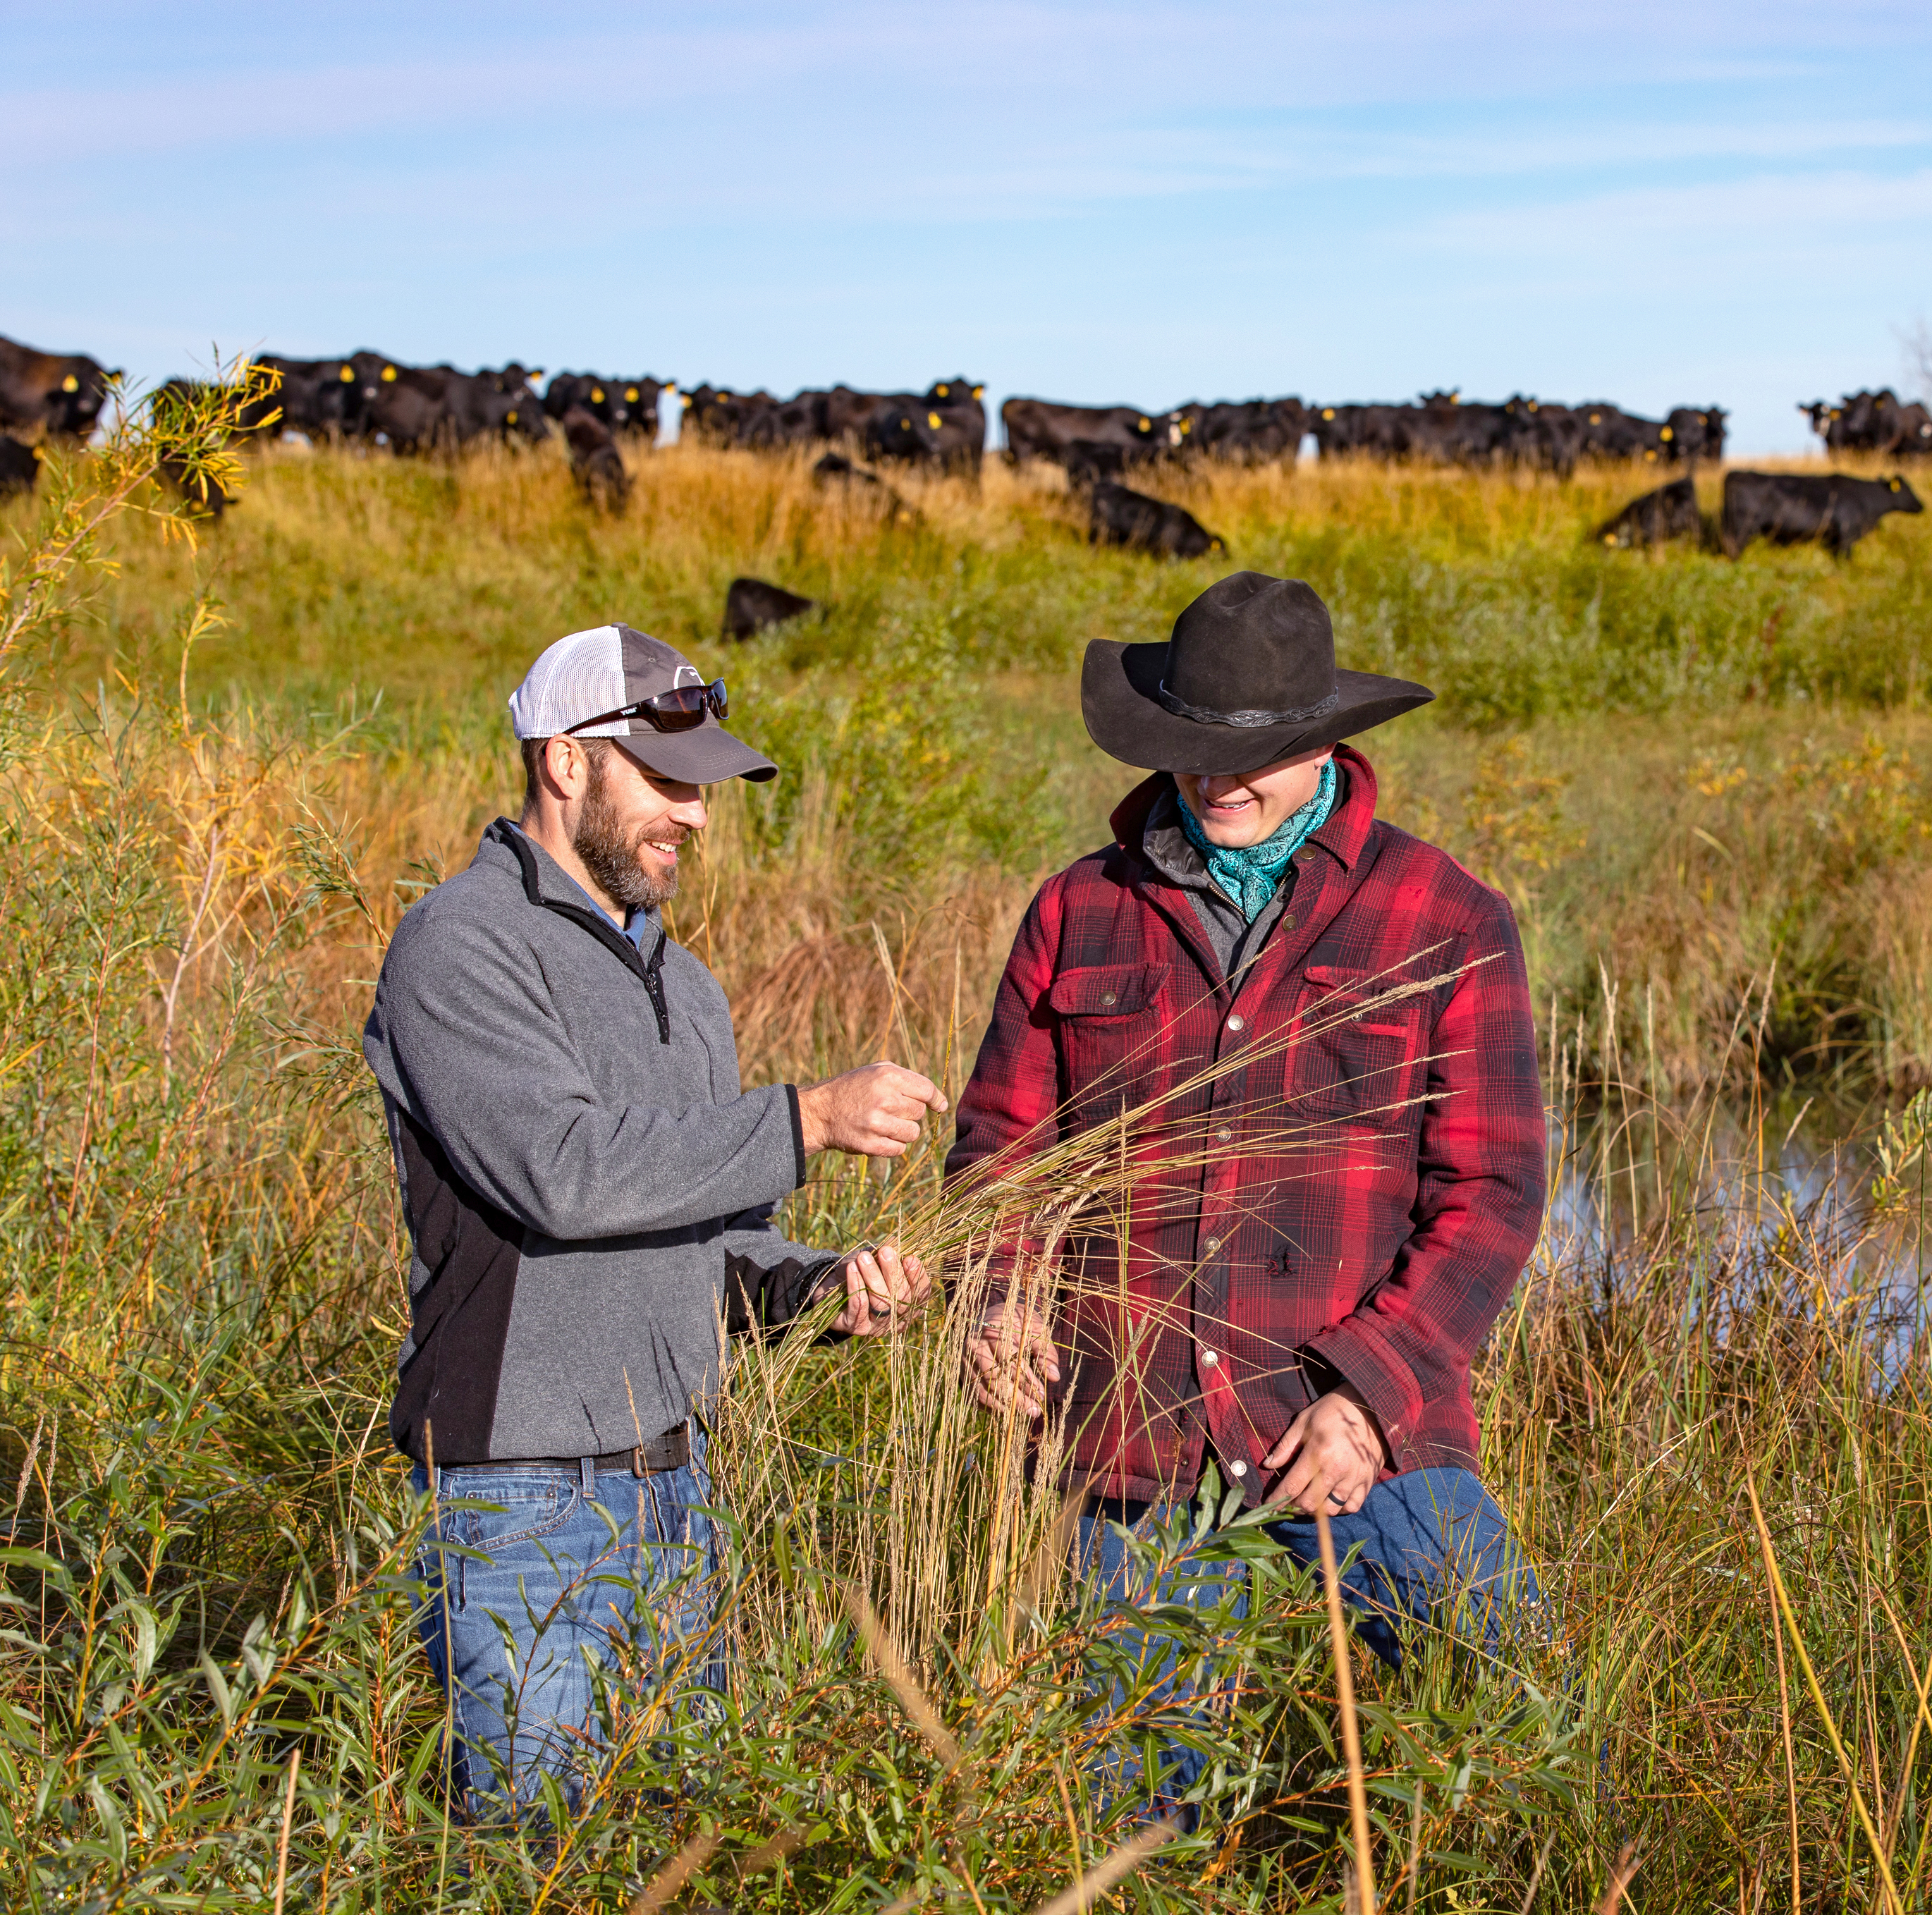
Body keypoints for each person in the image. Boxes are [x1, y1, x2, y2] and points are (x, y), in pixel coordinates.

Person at [947, 571, 1549, 1806]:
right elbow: (1001, 1157)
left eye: (1256, 756)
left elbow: (1493, 1193)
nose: (1218, 783)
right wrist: (995, 1299)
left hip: (1368, 1442)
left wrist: (1365, 1399)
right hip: (1131, 1454)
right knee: (1126, 1826)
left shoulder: (1443, 916)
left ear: (1324, 741)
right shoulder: (1077, 911)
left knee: (1521, 1746)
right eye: (1191, 751)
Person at [362, 621, 946, 1818]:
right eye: (668, 780)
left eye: (705, 787)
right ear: (565, 761)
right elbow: (561, 1175)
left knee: (680, 1845)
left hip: (681, 1490)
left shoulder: (687, 985)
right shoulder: (460, 945)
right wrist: (807, 1118)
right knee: (545, 1859)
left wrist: (822, 1291)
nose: (696, 814)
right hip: (517, 1498)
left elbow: (714, 1243)